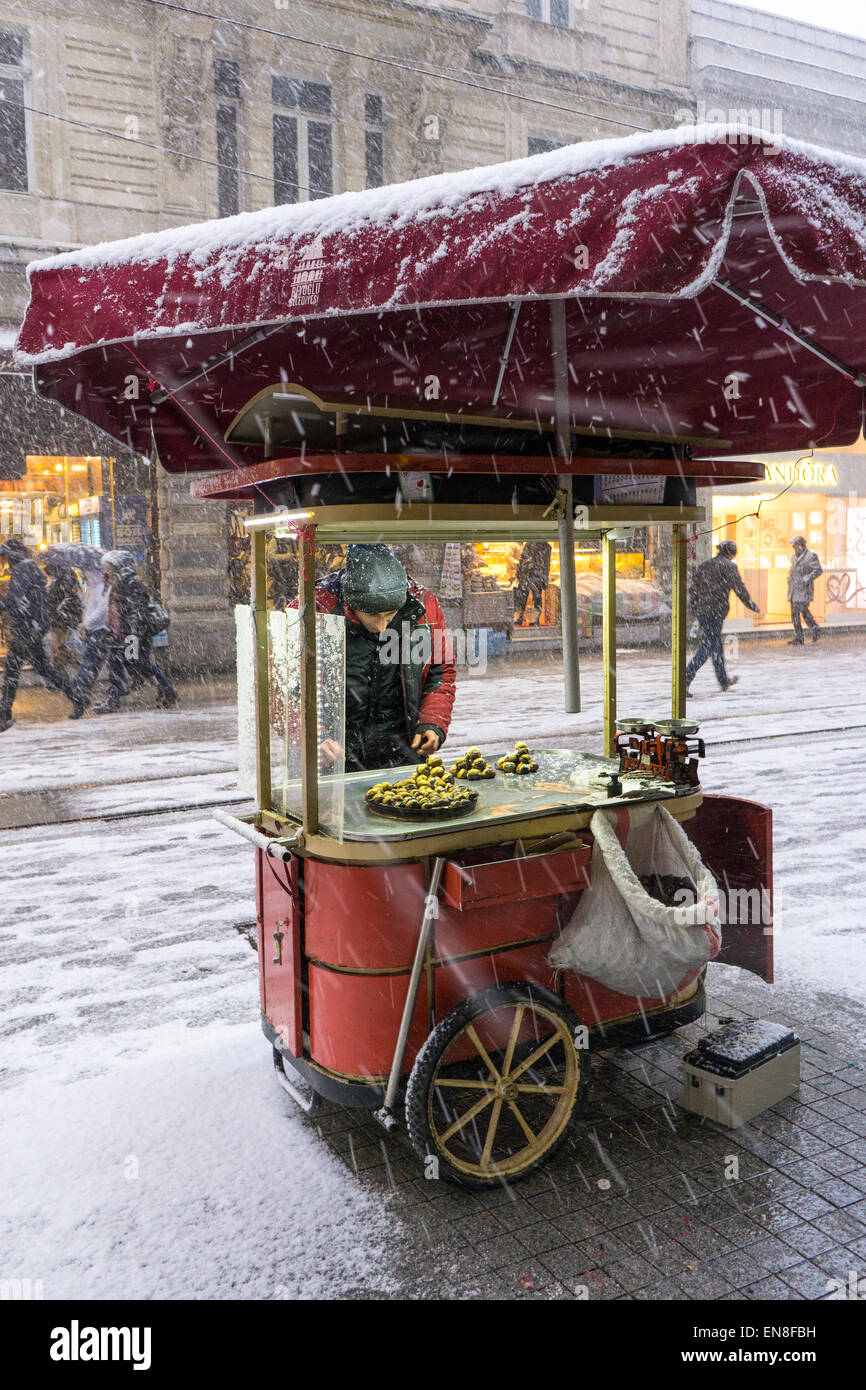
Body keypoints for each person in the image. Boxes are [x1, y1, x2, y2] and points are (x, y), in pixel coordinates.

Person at [313, 543, 456, 772]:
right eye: (372, 615)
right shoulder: (317, 606)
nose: (382, 626)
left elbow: (440, 670)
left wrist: (432, 721)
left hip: (402, 753)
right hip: (335, 759)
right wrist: (315, 735)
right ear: (351, 605)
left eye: (390, 614)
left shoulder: (424, 604)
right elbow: (286, 686)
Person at [71, 551, 177, 715]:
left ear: (118, 567)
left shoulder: (132, 584)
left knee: (139, 664)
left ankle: (167, 690)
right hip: (122, 634)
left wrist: (131, 638)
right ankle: (114, 698)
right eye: (105, 568)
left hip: (134, 636)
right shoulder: (117, 584)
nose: (105, 571)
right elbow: (113, 612)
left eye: (108, 568)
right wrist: (112, 631)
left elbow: (136, 613)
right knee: (118, 662)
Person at [0, 537, 75, 731]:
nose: (5, 560)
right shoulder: (27, 567)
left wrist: (3, 605)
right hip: (29, 627)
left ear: (12, 555)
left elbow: (15, 597)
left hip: (27, 628)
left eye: (6, 556)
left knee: (12, 670)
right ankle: (77, 694)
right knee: (41, 669)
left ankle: (4, 713)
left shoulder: (24, 569)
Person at [685, 540, 759, 696]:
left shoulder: (705, 565)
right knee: (707, 648)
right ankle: (684, 679)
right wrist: (750, 604)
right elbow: (739, 588)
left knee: (716, 647)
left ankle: (723, 681)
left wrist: (694, 608)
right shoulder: (728, 566)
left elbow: (694, 589)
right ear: (731, 553)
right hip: (715, 612)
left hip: (703, 611)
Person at [44, 556, 84, 681]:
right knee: (58, 644)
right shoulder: (62, 576)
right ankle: (70, 662)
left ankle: (61, 672)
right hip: (61, 617)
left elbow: (60, 598)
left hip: (62, 618)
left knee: (58, 645)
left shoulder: (62, 578)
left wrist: (48, 594)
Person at [787, 534, 823, 645]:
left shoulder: (811, 556)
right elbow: (792, 569)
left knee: (804, 611)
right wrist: (789, 577)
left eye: (795, 545)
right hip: (794, 589)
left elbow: (818, 570)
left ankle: (814, 627)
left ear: (801, 545)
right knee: (794, 614)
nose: (793, 548)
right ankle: (799, 637)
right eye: (793, 546)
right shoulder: (793, 557)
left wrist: (808, 578)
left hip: (804, 589)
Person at [514, 541, 551, 625]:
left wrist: (545, 579)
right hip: (530, 575)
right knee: (525, 598)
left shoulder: (533, 545)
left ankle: (532, 619)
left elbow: (547, 564)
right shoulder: (534, 545)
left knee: (533, 598)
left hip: (532, 576)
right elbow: (547, 565)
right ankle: (530, 619)